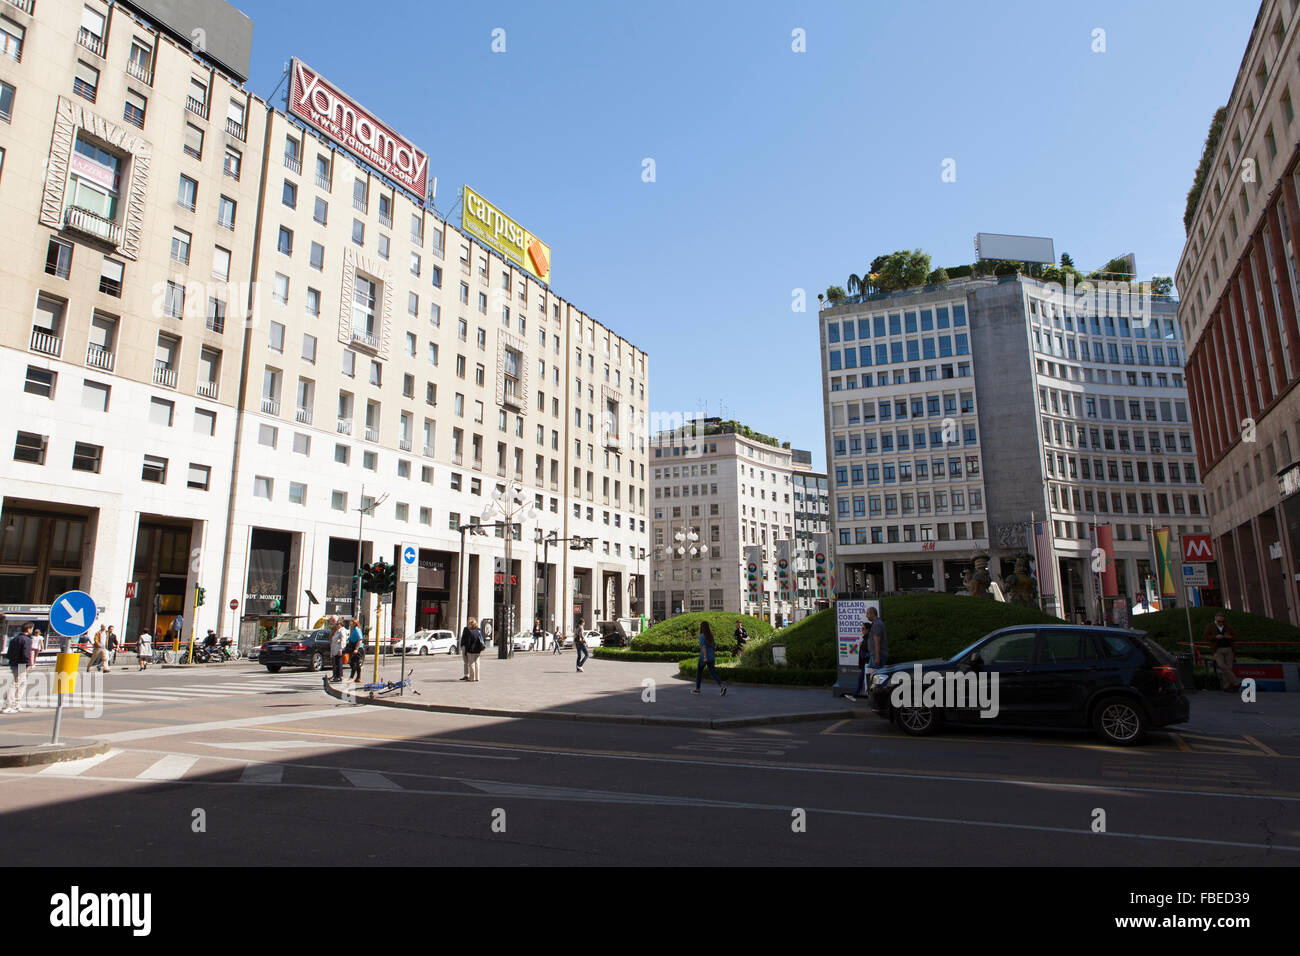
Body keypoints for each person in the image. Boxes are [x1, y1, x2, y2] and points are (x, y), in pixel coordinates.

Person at [1203, 611, 1241, 692]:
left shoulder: (1227, 627)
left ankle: (1226, 686)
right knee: (1222, 665)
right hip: (1217, 649)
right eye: (1219, 621)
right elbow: (1206, 637)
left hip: (1228, 648)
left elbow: (1236, 636)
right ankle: (1235, 682)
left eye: (1222, 621)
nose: (1221, 623)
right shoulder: (1210, 626)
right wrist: (1215, 637)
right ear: (1215, 620)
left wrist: (1229, 637)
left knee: (1228, 668)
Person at [3, 623, 35, 713]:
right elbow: (26, 653)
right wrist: (28, 664)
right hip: (22, 664)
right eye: (31, 629)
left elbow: (9, 653)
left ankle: (16, 704)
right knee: (17, 683)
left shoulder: (14, 639)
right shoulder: (27, 640)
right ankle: (8, 705)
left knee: (22, 683)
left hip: (14, 663)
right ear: (28, 629)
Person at [692, 620, 726, 695]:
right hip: (711, 657)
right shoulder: (711, 636)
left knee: (699, 673)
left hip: (704, 657)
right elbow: (714, 647)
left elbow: (703, 647)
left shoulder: (701, 636)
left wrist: (704, 657)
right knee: (713, 673)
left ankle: (697, 689)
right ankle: (722, 686)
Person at [460, 617, 484, 682]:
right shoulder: (478, 631)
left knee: (471, 664)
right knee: (477, 663)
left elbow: (468, 642)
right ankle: (477, 677)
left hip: (471, 650)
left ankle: (472, 678)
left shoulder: (470, 631)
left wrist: (466, 650)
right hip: (478, 650)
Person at [328, 617, 345, 683]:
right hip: (334, 649)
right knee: (335, 663)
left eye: (338, 624)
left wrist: (341, 649)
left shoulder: (342, 630)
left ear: (341, 624)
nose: (337, 625)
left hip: (338, 649)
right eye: (336, 624)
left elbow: (343, 640)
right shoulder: (336, 631)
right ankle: (335, 676)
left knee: (338, 663)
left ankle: (339, 676)